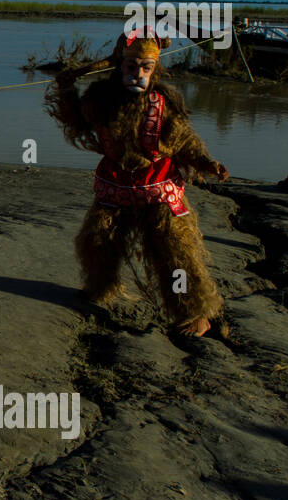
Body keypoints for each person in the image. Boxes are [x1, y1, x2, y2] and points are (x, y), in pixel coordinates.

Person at [45, 29, 229, 335]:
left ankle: (195, 313)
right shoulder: (99, 99)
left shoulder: (163, 102)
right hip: (115, 185)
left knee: (176, 253)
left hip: (158, 188)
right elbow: (76, 120)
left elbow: (184, 141)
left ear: (154, 69)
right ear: (120, 66)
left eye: (146, 68)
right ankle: (98, 289)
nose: (139, 74)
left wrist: (207, 162)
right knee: (98, 243)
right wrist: (66, 91)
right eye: (132, 67)